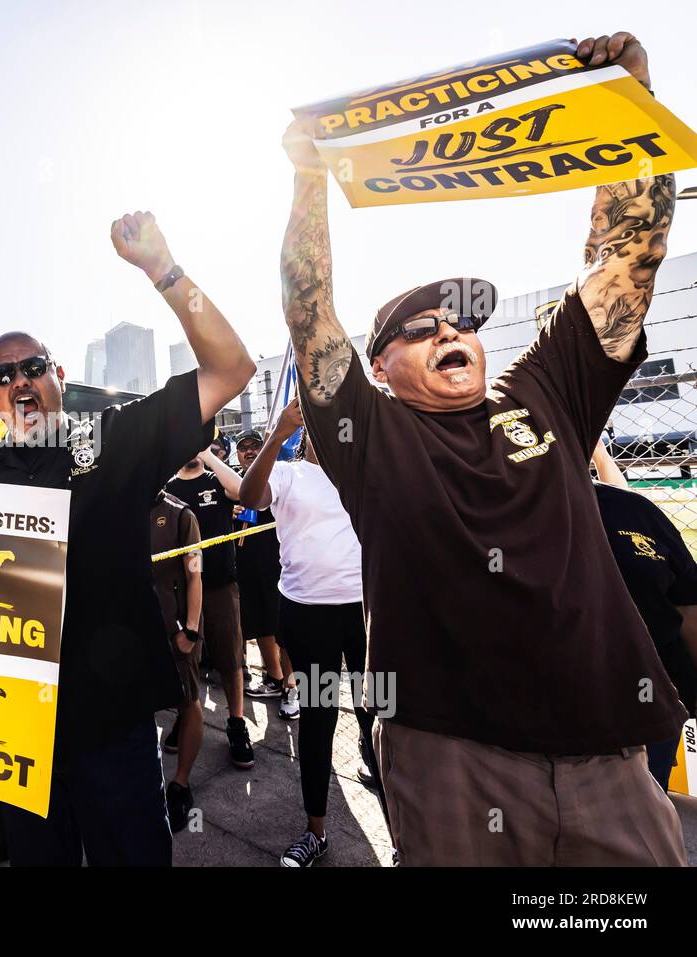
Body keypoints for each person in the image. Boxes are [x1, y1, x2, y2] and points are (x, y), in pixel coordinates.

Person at [278, 31, 687, 865]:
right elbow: (309, 312)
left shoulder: (546, 392)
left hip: (610, 753)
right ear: (381, 366)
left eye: (462, 319)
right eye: (418, 329)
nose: (450, 330)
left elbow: (625, 262)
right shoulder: (370, 433)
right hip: (452, 759)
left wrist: (627, 109)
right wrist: (308, 178)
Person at [0, 210, 256, 865]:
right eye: (3, 374)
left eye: (33, 365)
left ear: (59, 376)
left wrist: (164, 268)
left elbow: (232, 367)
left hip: (112, 731)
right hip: (12, 739)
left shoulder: (106, 440)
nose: (19, 380)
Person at [239, 401, 377, 866]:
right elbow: (248, 495)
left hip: (364, 618)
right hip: (310, 617)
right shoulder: (288, 473)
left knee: (378, 715)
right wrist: (277, 434)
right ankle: (316, 831)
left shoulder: (361, 470)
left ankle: (404, 832)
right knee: (318, 721)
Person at [590, 443, 697, 789]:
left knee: (649, 805)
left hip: (651, 705)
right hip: (560, 714)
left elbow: (687, 603)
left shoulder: (630, 510)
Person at [165, 445, 254, 768]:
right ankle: (186, 715)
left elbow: (243, 491)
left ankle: (236, 722)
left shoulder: (217, 480)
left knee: (231, 660)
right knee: (186, 662)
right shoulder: (169, 487)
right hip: (183, 590)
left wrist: (207, 453)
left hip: (219, 585)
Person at [150, 489, 203, 833]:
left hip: (176, 634)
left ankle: (181, 784)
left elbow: (195, 574)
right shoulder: (114, 503)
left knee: (189, 705)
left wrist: (192, 631)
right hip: (134, 634)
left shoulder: (181, 515)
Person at [232, 428, 291, 709]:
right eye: (243, 448)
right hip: (248, 570)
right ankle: (275, 678)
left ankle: (292, 685)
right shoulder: (236, 482)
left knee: (284, 629)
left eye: (255, 445)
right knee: (260, 627)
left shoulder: (279, 474)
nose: (249, 451)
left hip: (277, 567)